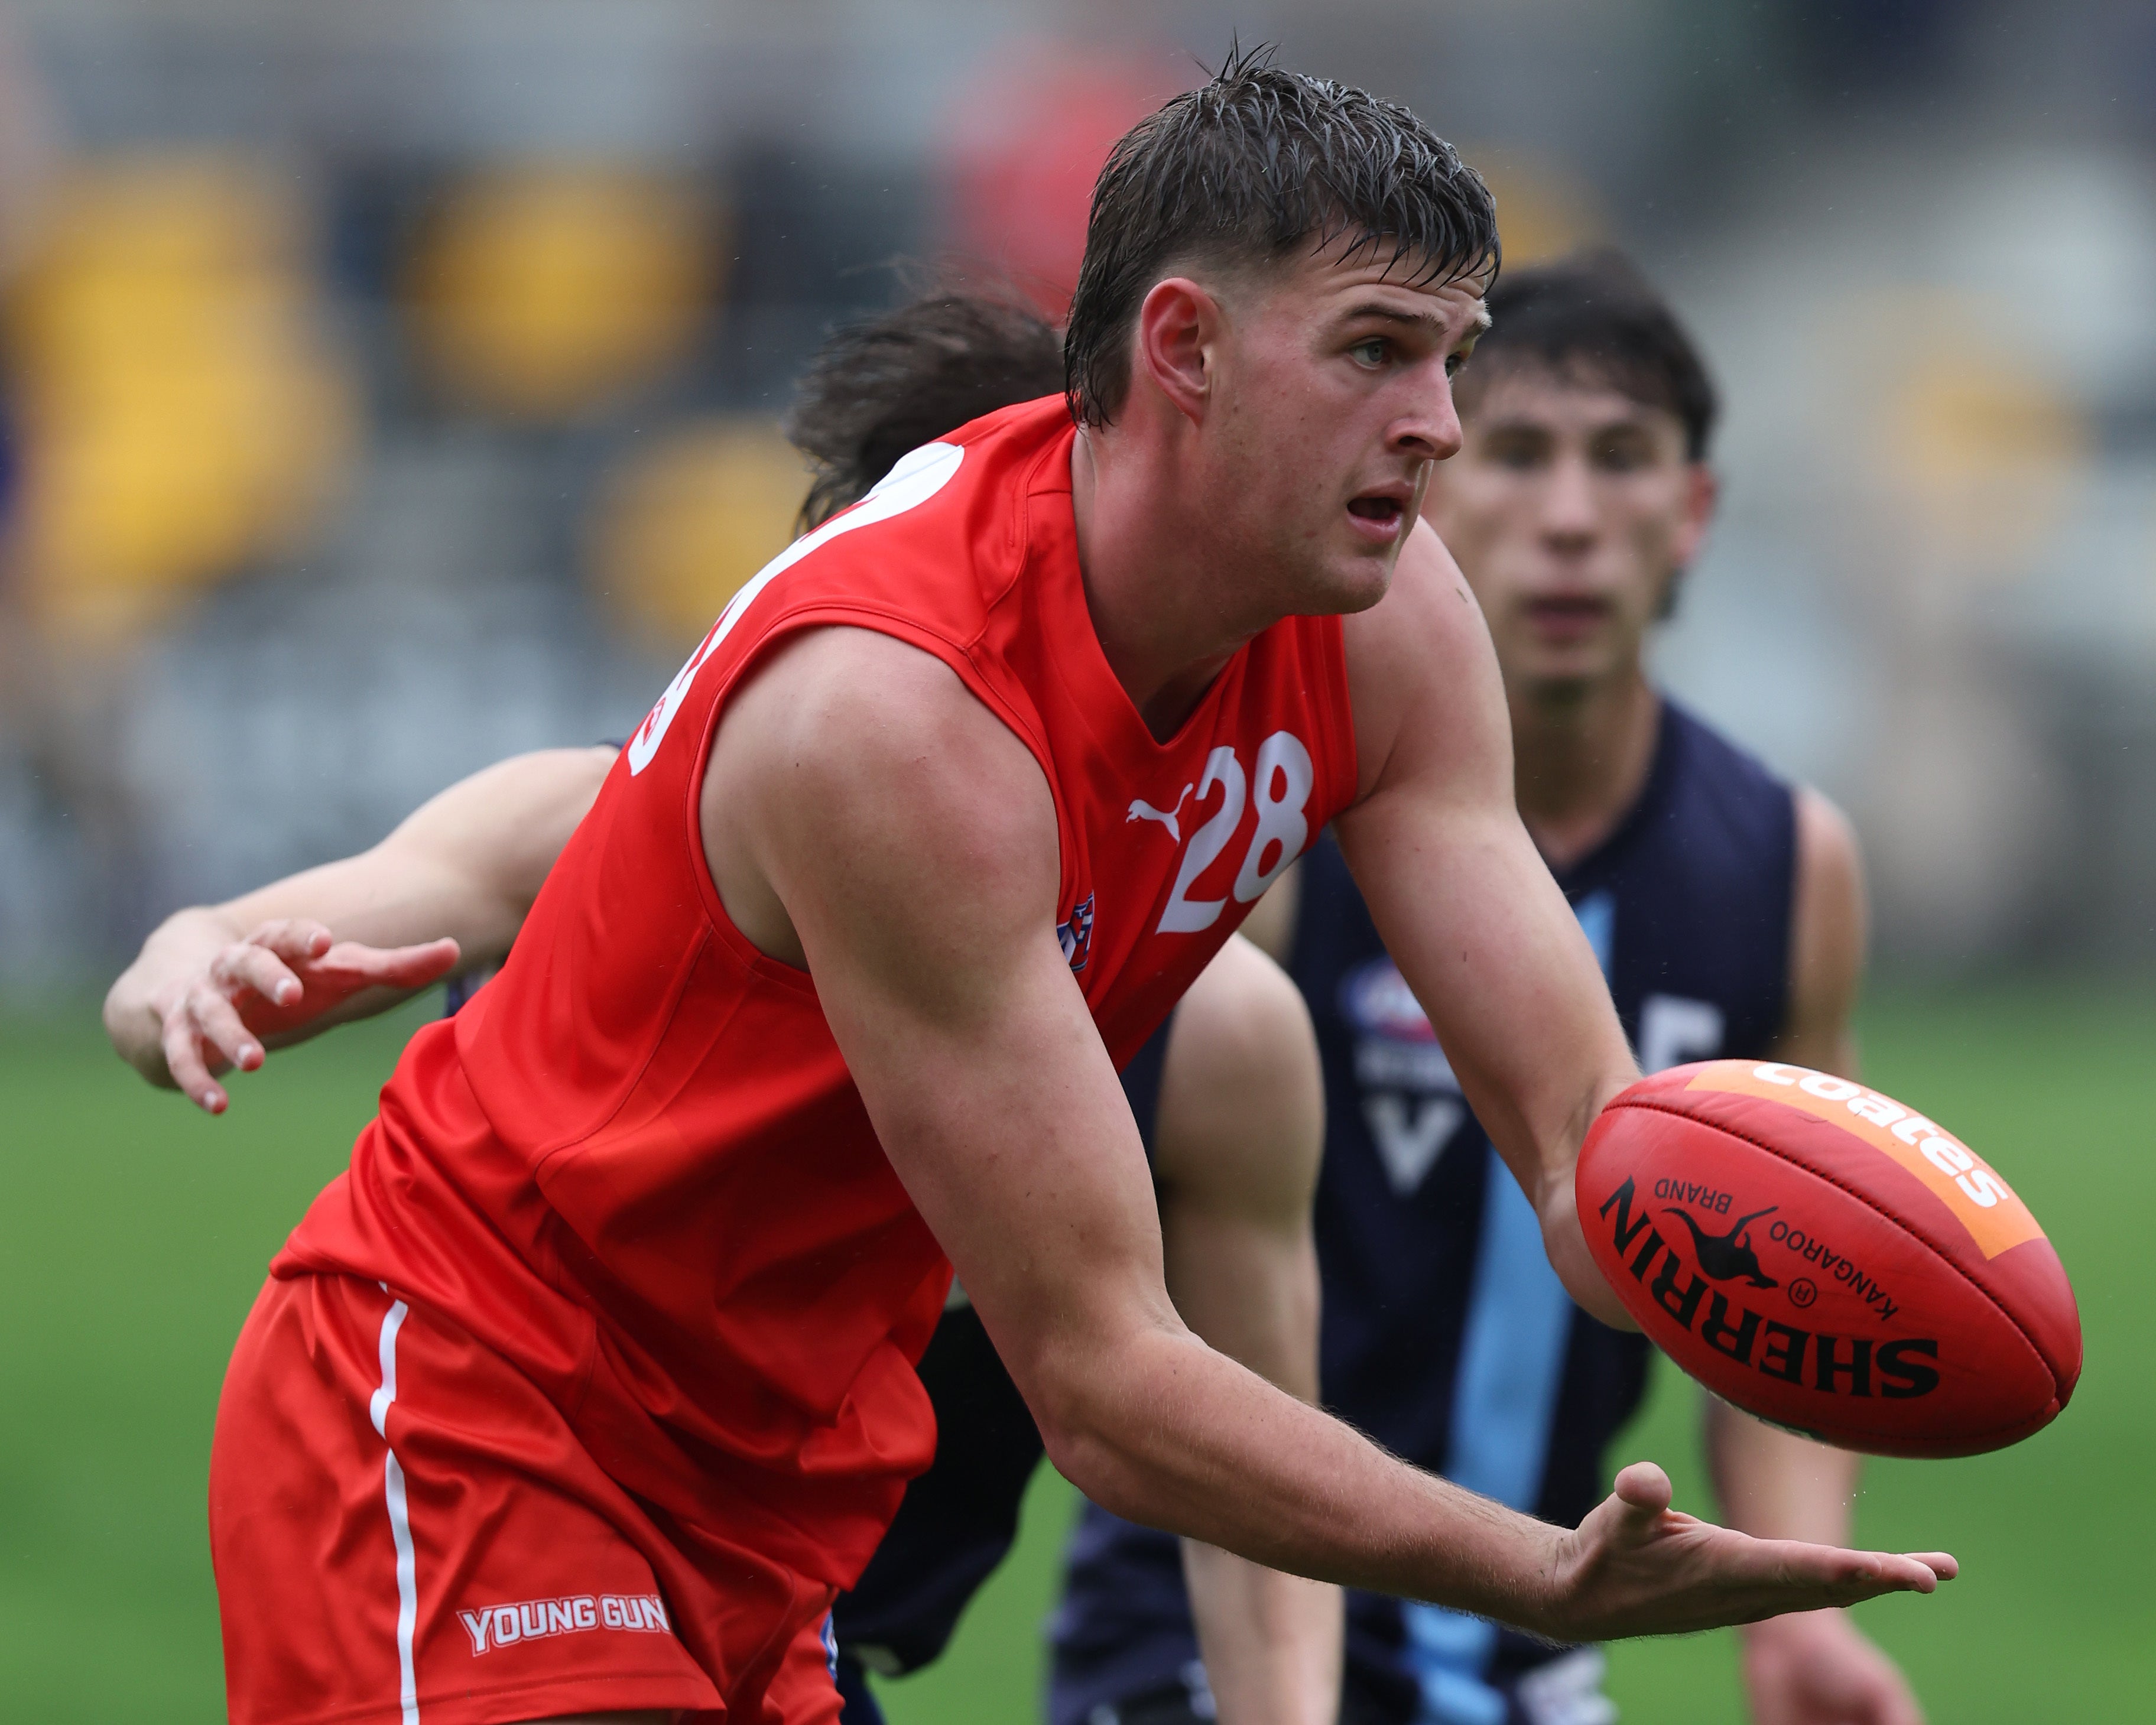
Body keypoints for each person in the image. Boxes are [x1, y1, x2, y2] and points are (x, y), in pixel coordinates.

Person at [178, 55, 1952, 1725]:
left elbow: (1582, 1136)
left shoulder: (1392, 623)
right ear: (1182, 344)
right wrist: (1535, 1578)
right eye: (1378, 352)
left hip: (772, 1481)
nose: (1440, 428)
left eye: (1454, 358)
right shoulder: (898, 714)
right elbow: (1104, 1383)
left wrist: (1762, 1252)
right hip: (479, 1412)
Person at [106, 292, 1344, 1725]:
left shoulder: (1214, 1032)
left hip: (801, 1623)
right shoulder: (604, 819)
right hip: (528, 1509)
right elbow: (228, 947)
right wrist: (185, 965)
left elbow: (1256, 1489)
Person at [1048, 253, 1927, 1725]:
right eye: (1519, 453)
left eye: (1623, 460)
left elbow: (1793, 1292)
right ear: (1432, 486)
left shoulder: (1786, 861)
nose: (1572, 520)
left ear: (1692, 514)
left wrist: (1794, 1606)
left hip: (1540, 1646)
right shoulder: (1279, 807)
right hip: (1213, 1629)